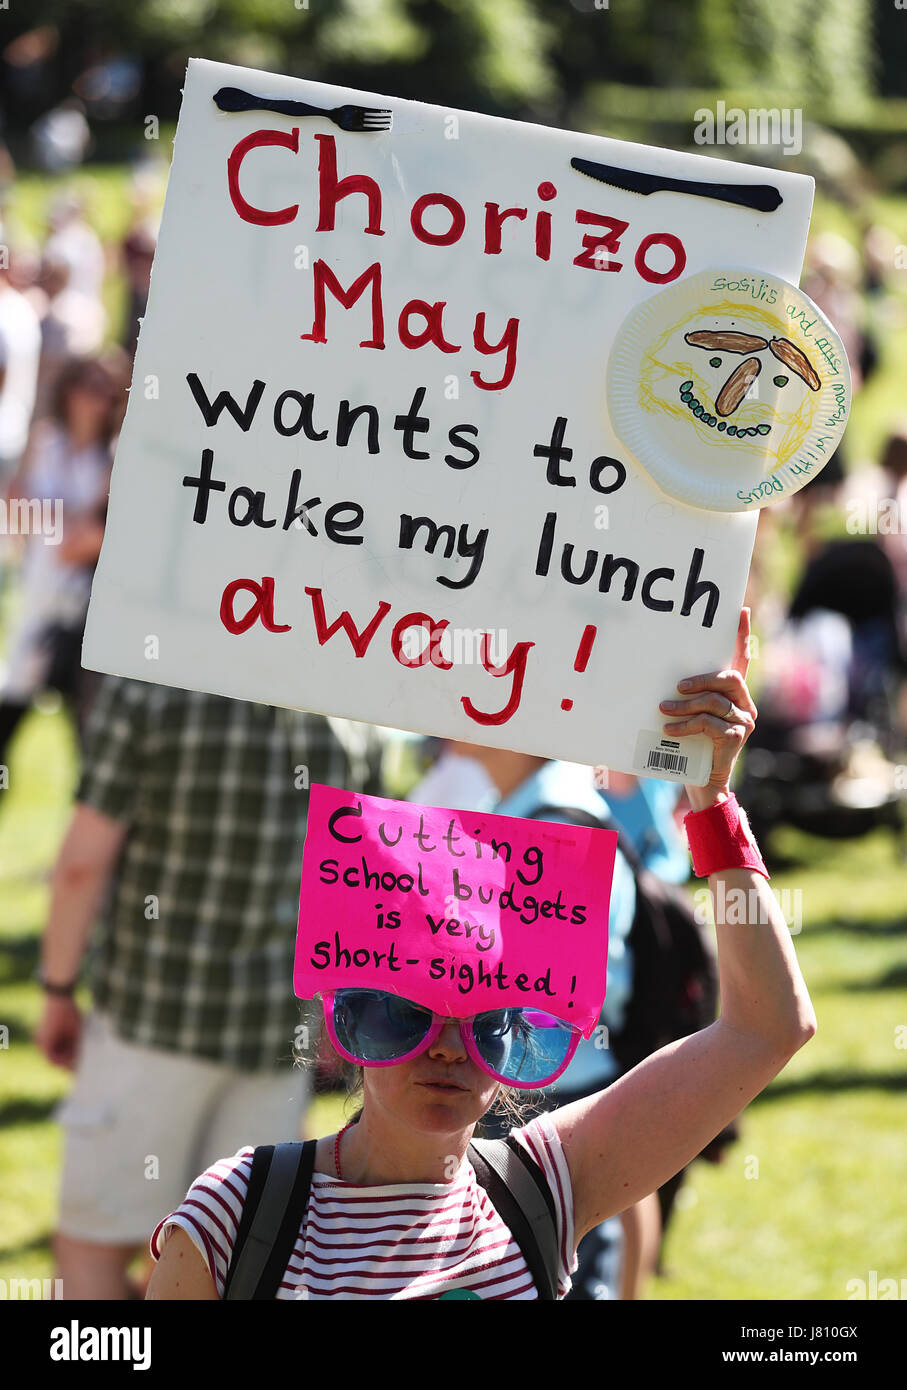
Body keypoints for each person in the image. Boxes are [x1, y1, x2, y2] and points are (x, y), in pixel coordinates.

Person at [146, 608, 818, 1301]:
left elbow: (767, 1028)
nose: (446, 1050)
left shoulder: (546, 1187)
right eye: (402, 1015)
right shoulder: (236, 1215)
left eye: (491, 1023)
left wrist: (711, 799)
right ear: (345, 1018)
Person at [35, 674, 385, 1299]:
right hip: (277, 1037)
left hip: (148, 1020)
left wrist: (57, 989)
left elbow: (83, 863)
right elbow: (357, 886)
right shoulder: (356, 710)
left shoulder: (148, 689)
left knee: (93, 1246)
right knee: (228, 1263)